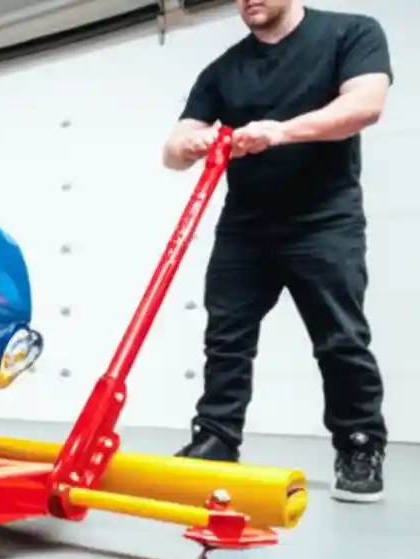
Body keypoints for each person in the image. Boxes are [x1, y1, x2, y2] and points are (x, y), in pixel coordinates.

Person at [161, 0, 393, 503]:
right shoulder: (224, 69)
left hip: (324, 220)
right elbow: (172, 151)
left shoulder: (350, 33)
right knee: (226, 337)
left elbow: (364, 106)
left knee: (340, 339)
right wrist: (193, 145)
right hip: (245, 226)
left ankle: (359, 444)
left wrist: (280, 130)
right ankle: (216, 438)